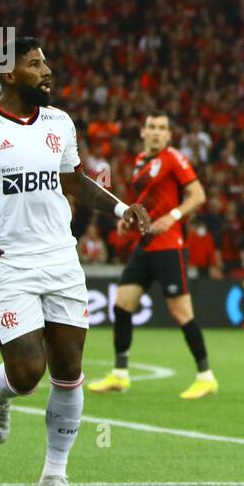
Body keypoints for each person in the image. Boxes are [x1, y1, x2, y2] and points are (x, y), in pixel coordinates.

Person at [0, 37, 151, 486]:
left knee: (69, 368)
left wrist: (121, 210)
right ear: (9, 75)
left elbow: (74, 181)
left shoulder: (59, 122)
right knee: (26, 372)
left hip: (60, 257)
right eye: (34, 64)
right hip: (9, 263)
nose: (47, 70)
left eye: (46, 62)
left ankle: (54, 476)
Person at [89, 112, 217, 399]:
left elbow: (198, 195)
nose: (157, 132)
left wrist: (172, 217)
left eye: (162, 128)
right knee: (122, 304)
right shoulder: (139, 161)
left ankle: (206, 376)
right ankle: (120, 374)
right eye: (152, 127)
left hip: (170, 247)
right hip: (145, 246)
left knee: (181, 313)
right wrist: (129, 220)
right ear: (143, 132)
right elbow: (148, 203)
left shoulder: (174, 158)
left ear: (169, 135)